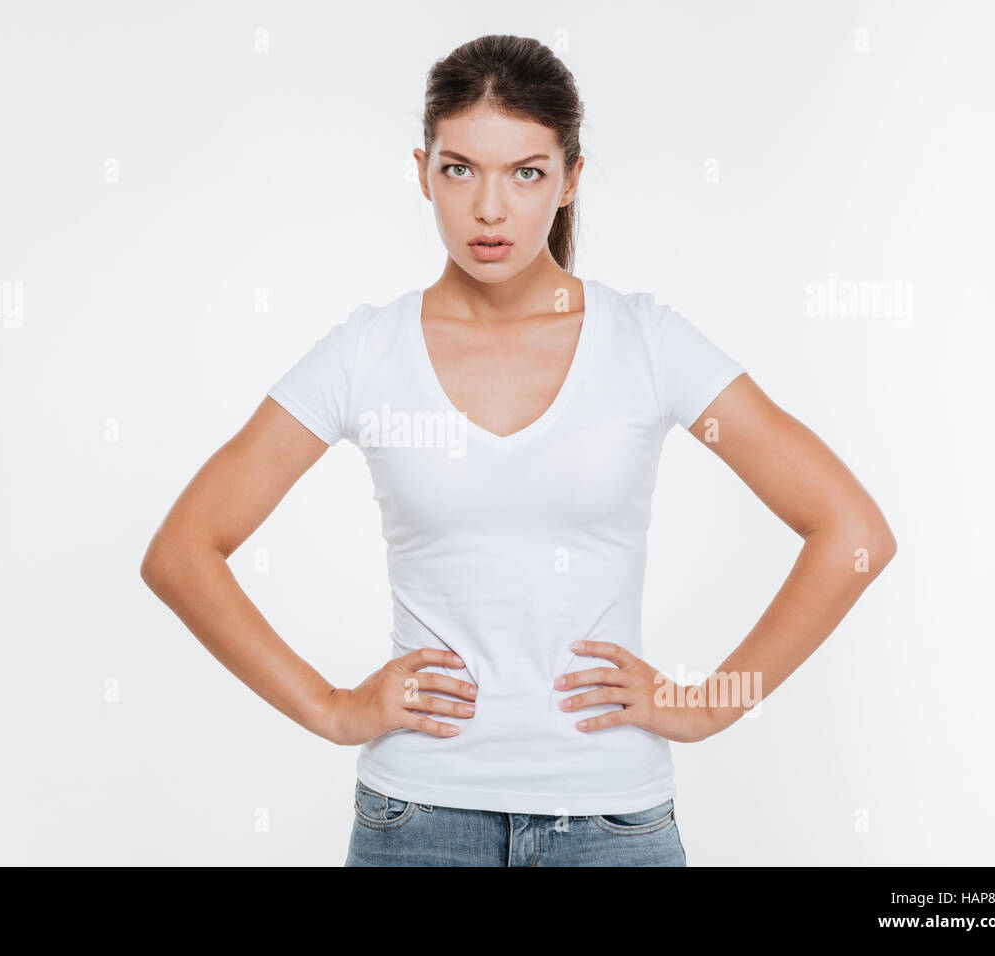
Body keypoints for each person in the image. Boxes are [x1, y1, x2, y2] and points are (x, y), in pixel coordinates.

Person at [140, 34, 897, 867]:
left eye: (526, 172)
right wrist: (330, 708)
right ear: (423, 171)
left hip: (614, 825)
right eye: (461, 169)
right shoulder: (367, 354)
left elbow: (851, 533)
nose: (490, 210)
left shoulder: (645, 343)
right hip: (416, 820)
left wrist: (708, 703)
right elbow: (183, 552)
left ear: (571, 179)